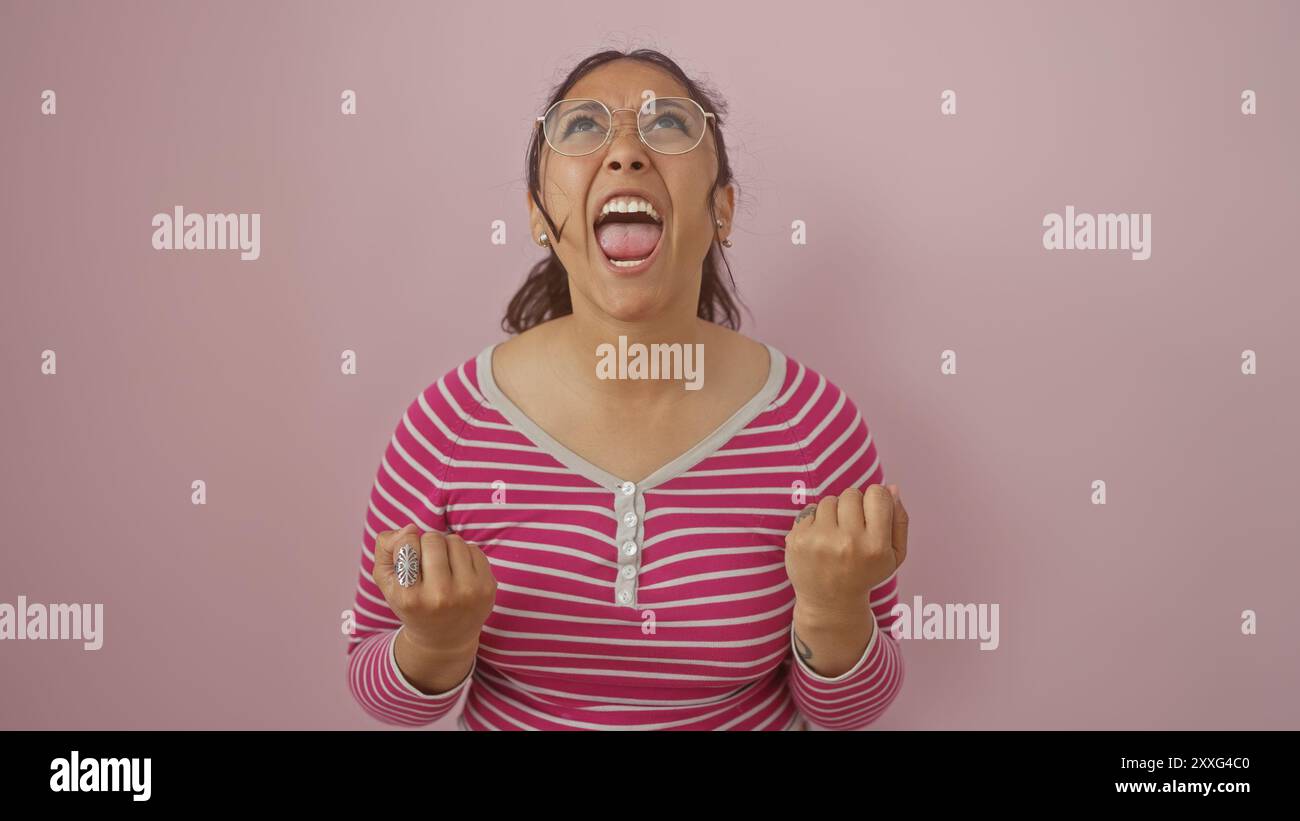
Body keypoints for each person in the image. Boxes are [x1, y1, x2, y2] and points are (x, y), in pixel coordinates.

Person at [345, 48, 909, 730]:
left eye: (668, 124)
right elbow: (379, 693)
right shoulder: (448, 423)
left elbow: (853, 711)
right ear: (537, 213)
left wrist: (834, 608)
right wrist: (433, 642)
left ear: (722, 208)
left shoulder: (815, 426)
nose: (626, 151)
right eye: (582, 127)